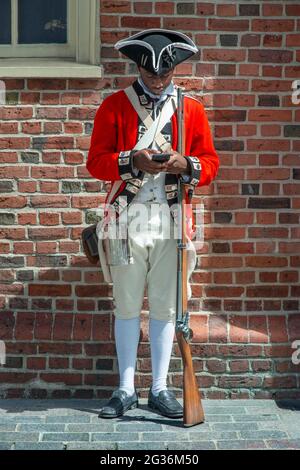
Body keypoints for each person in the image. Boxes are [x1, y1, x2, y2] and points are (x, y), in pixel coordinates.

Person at [86, 29, 219, 419]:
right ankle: (125, 389)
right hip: (126, 219)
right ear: (138, 67)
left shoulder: (191, 109)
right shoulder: (114, 106)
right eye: (150, 74)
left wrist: (186, 164)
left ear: (175, 70)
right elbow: (95, 162)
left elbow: (209, 163)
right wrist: (131, 161)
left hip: (173, 221)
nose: (157, 81)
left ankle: (159, 388)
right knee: (126, 305)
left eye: (164, 74)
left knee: (164, 308)